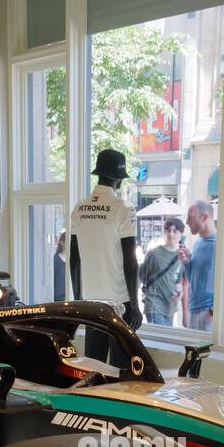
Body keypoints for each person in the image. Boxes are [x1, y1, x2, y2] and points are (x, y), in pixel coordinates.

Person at [67, 149, 141, 364]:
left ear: (98, 173)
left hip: (92, 302)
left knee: (94, 365)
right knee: (121, 369)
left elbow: (74, 258)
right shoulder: (123, 208)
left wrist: (79, 299)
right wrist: (135, 305)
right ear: (119, 178)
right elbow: (130, 261)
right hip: (119, 302)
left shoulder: (80, 208)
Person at [138, 217, 185, 327]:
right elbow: (141, 276)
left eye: (175, 231)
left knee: (166, 337)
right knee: (160, 336)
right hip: (154, 304)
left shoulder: (180, 256)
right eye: (168, 230)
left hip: (170, 306)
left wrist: (179, 293)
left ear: (181, 234)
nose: (171, 234)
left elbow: (176, 279)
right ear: (164, 233)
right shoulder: (154, 254)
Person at [178, 200, 216, 333]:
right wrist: (187, 262)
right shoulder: (198, 243)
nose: (187, 222)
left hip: (207, 314)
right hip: (195, 310)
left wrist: (213, 311)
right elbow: (193, 279)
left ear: (205, 217)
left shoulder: (219, 245)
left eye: (191, 218)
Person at [52, 231, 67, 302]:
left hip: (71, 298)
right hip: (58, 299)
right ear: (62, 243)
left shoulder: (74, 260)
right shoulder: (55, 259)